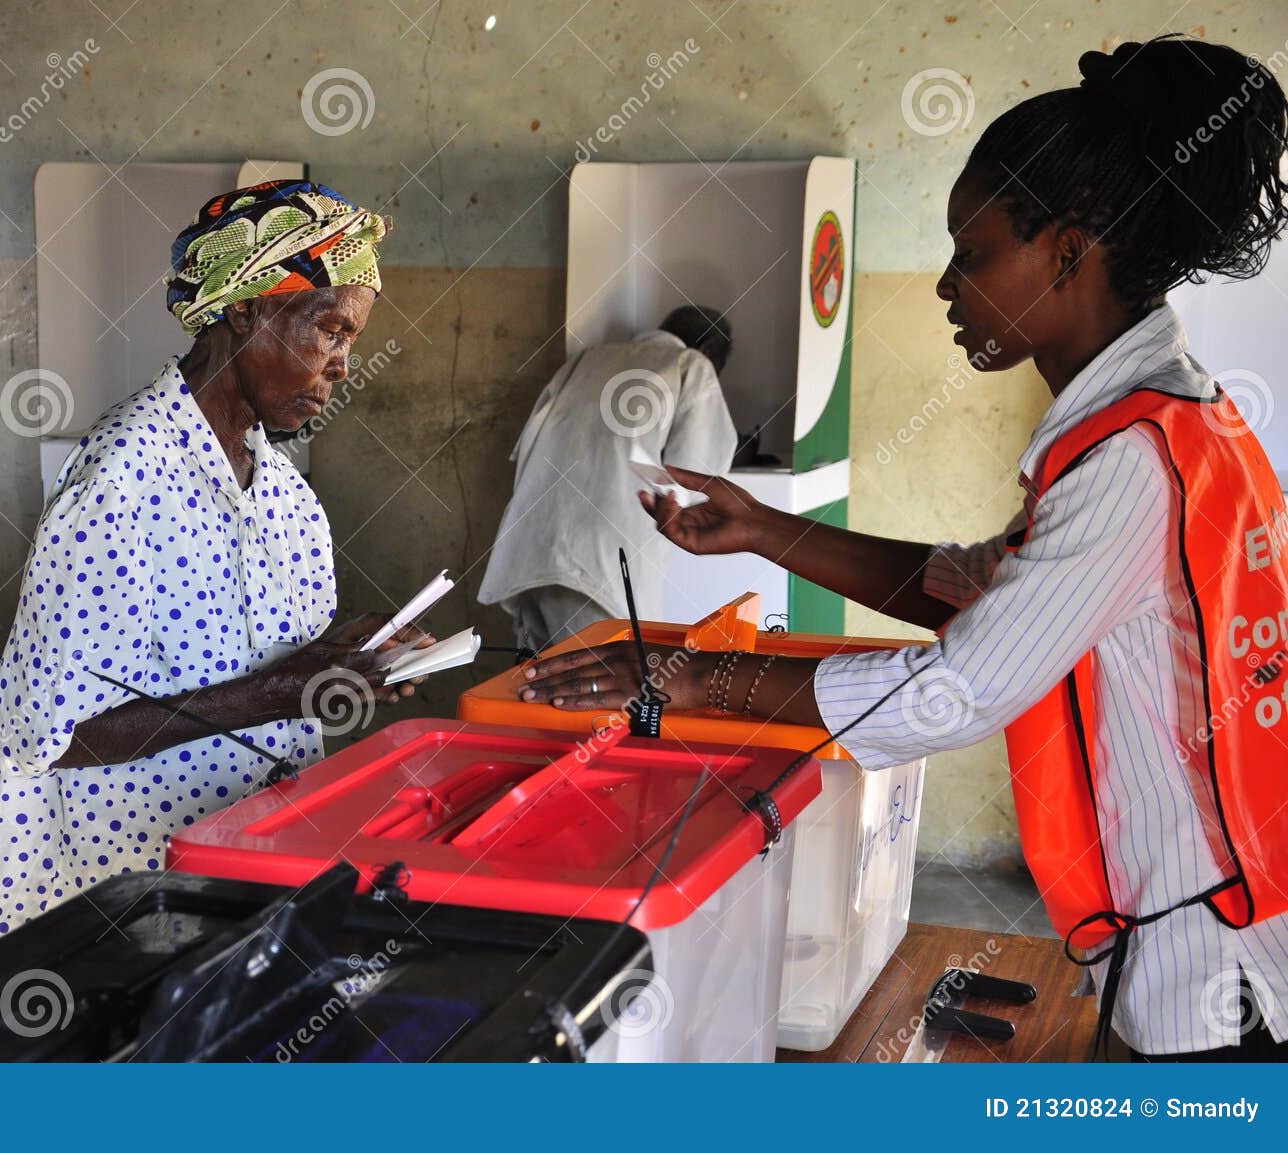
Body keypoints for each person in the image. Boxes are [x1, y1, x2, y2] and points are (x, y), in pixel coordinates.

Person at [521, 37, 1288, 1061]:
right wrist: (764, 530)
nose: (943, 287)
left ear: (1067, 250)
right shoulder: (1163, 422)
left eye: (971, 255)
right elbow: (987, 594)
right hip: (1206, 944)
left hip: (1217, 979)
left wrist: (679, 679)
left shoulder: (1129, 461)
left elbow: (960, 687)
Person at [0, 180, 427, 942]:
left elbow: (284, 663)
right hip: (126, 885)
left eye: (352, 341)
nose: (343, 364)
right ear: (244, 308)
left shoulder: (283, 494)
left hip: (241, 864)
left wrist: (354, 654)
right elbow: (59, 736)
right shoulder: (123, 477)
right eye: (330, 329)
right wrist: (282, 691)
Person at [477, 306, 737, 652]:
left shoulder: (586, 359)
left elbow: (527, 446)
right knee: (597, 691)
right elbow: (696, 481)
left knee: (538, 684)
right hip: (599, 567)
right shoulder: (692, 366)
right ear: (709, 351)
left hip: (530, 552)